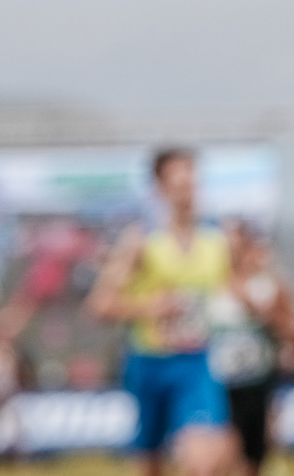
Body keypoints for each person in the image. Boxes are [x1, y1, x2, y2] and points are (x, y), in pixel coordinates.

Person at [85, 149, 235, 476]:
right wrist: (151, 307)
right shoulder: (140, 243)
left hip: (197, 363)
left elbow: (230, 298)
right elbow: (99, 305)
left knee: (207, 462)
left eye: (192, 180)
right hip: (149, 362)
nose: (187, 188)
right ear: (159, 188)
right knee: (150, 463)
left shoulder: (216, 242)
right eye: (178, 182)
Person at [209, 223, 294, 475]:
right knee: (219, 454)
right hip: (215, 384)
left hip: (256, 382)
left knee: (252, 457)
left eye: (236, 243)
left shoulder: (269, 287)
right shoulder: (210, 285)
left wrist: (262, 314)